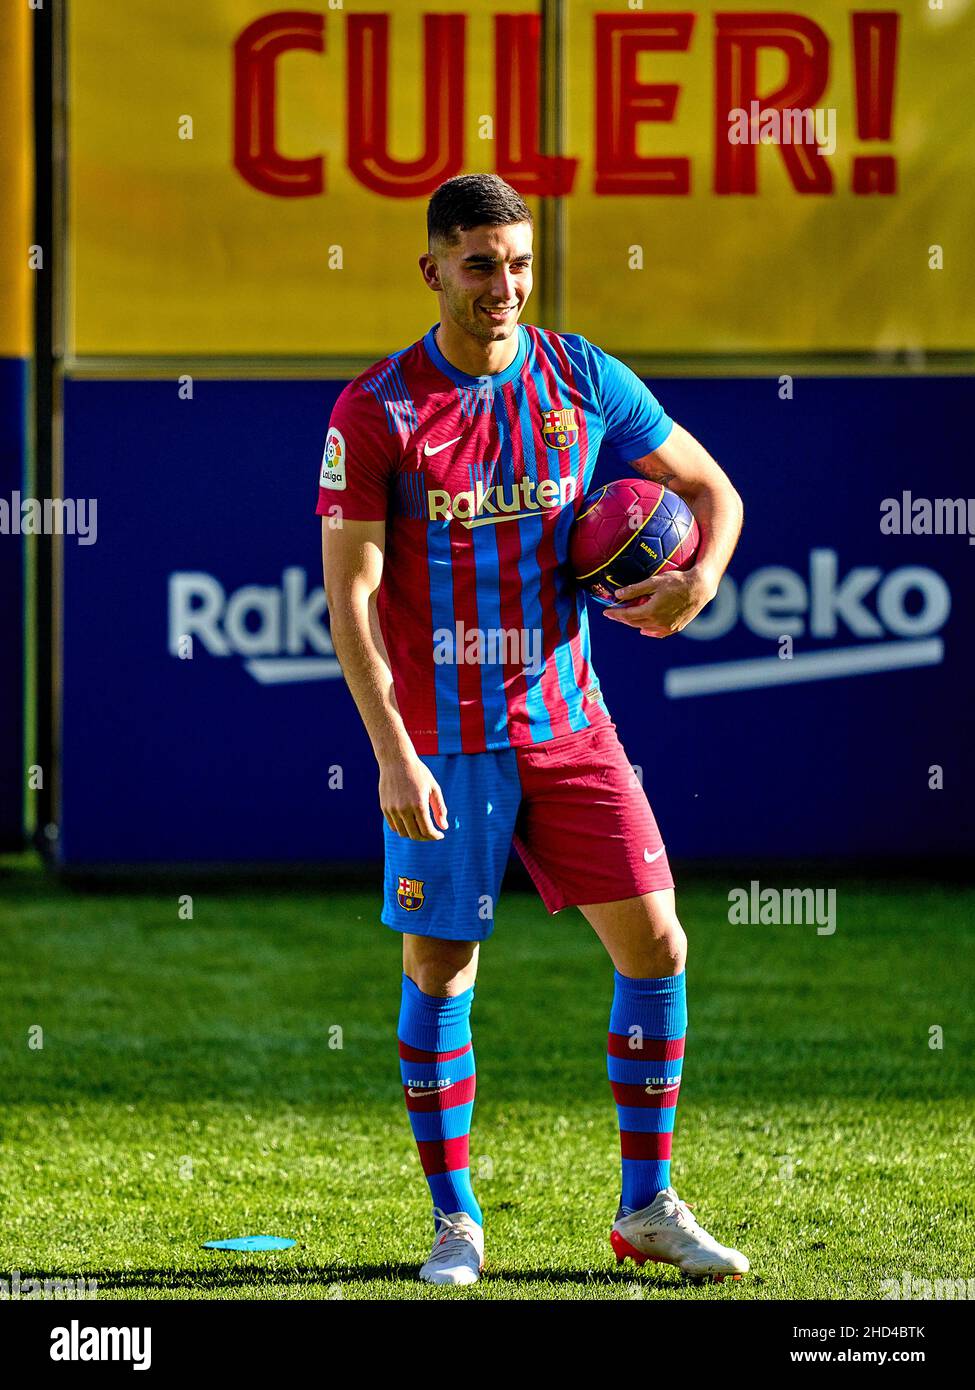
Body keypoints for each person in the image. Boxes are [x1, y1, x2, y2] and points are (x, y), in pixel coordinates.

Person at [317, 174, 746, 1286]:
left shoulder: (582, 375)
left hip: (571, 723)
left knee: (657, 945)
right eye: (478, 263)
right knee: (443, 967)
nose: (504, 285)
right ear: (433, 271)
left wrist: (699, 579)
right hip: (441, 741)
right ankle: (456, 1221)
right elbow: (350, 597)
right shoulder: (378, 410)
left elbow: (714, 491)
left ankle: (647, 1205)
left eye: (517, 261)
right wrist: (392, 753)